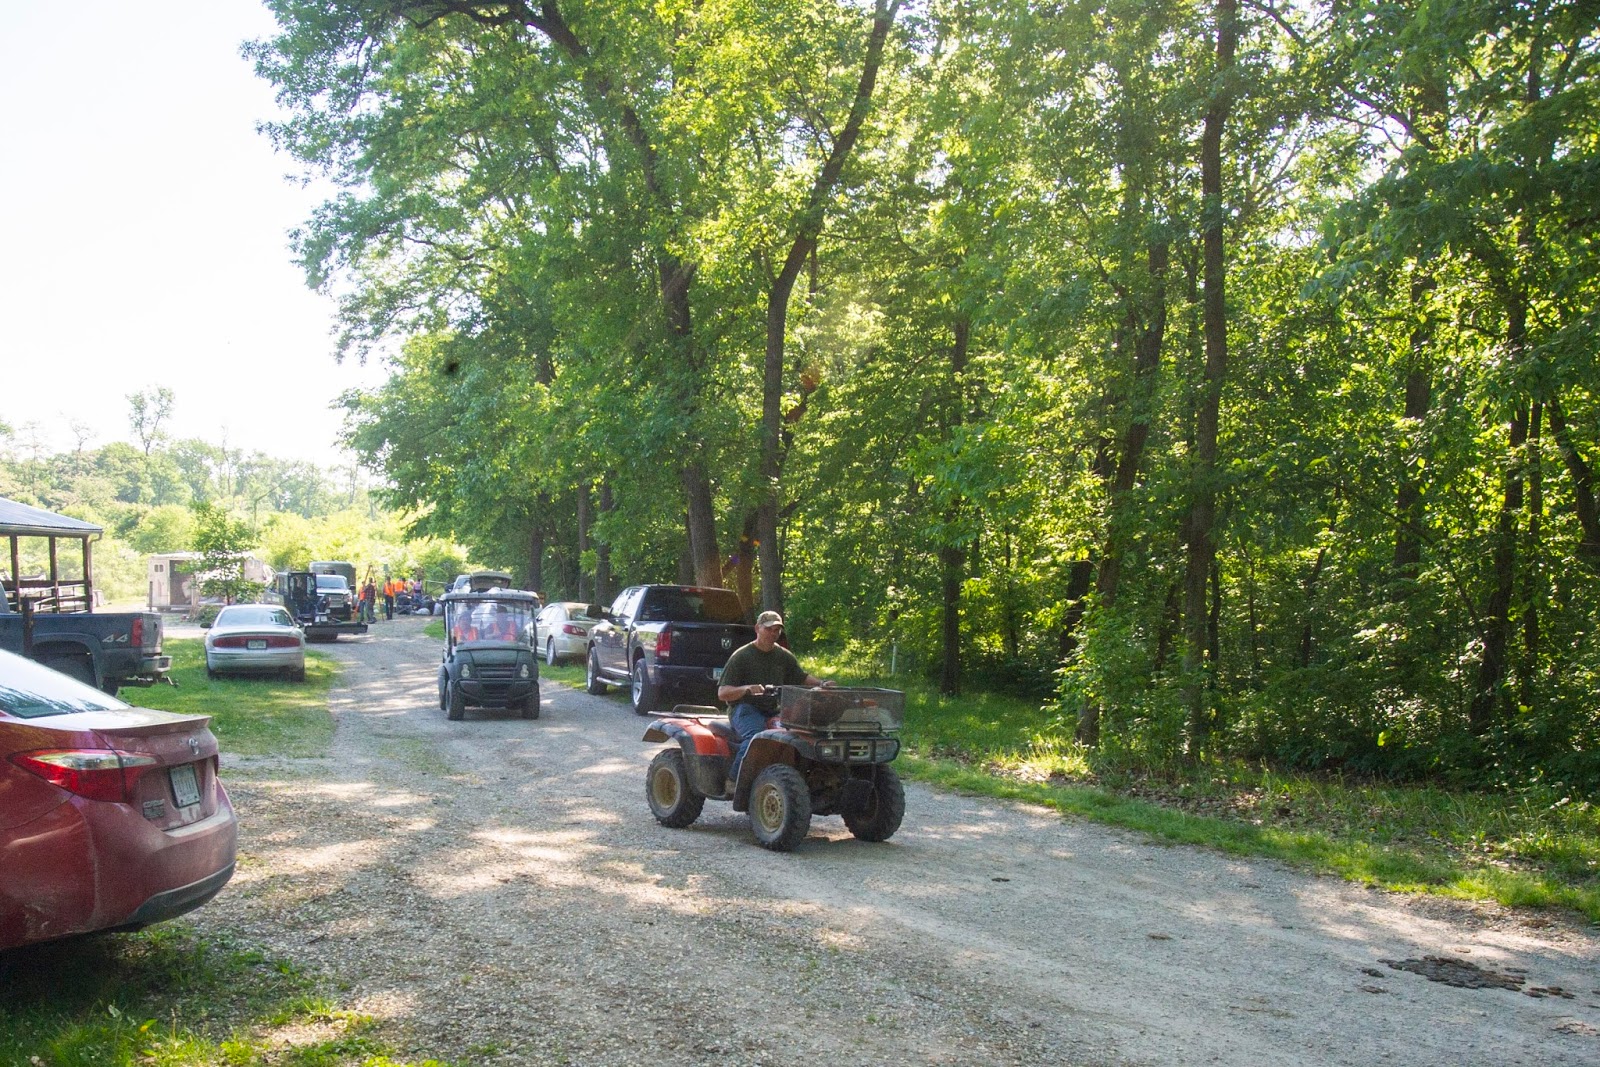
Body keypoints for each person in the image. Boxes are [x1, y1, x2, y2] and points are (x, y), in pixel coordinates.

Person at [717, 610, 832, 783]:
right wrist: (746, 689)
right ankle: (734, 780)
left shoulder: (783, 656)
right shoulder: (741, 656)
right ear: (757, 628)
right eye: (769, 629)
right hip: (744, 709)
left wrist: (822, 685)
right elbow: (722, 693)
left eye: (777, 630)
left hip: (773, 710)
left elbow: (801, 677)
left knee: (797, 738)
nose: (773, 633)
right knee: (755, 738)